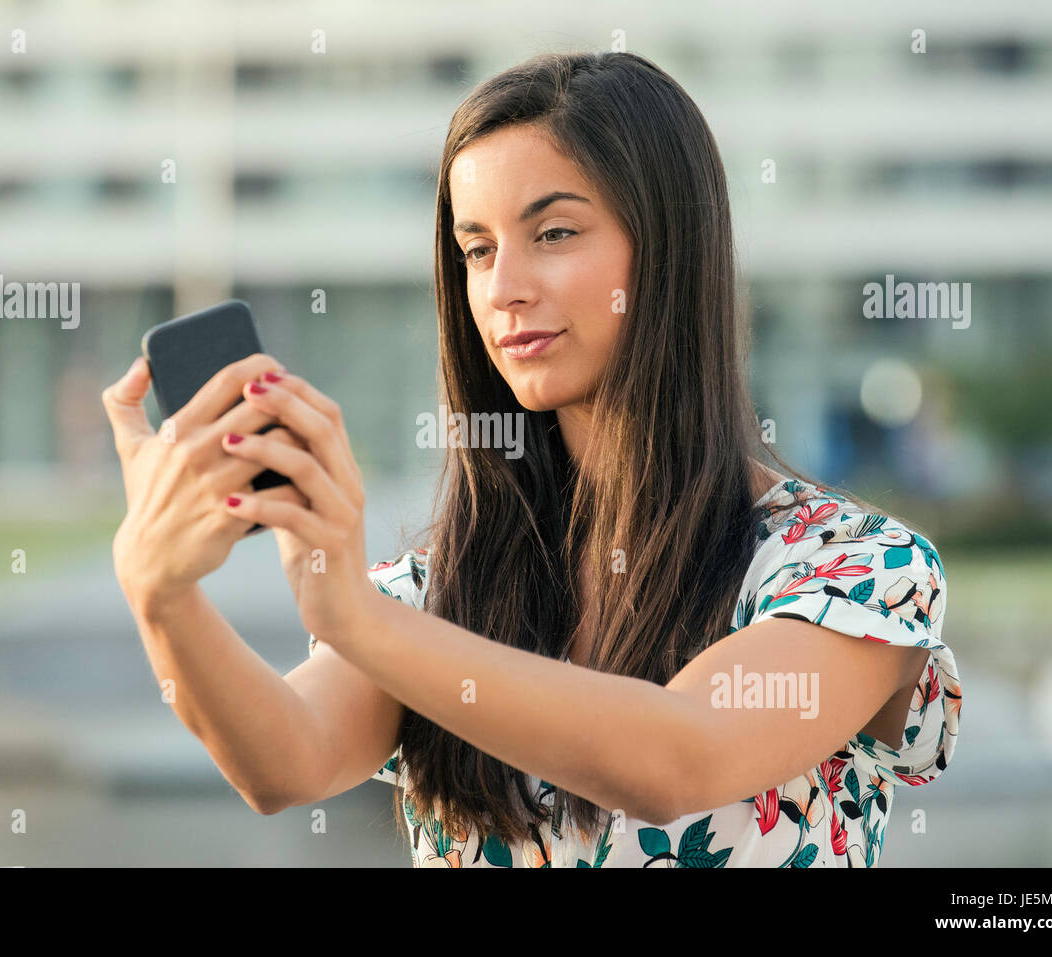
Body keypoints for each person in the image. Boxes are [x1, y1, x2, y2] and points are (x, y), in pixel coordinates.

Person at [102, 50, 961, 868]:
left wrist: (356, 616)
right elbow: (284, 759)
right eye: (477, 248)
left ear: (666, 249)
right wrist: (160, 593)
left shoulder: (852, 569)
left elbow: (681, 755)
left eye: (553, 232)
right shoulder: (442, 594)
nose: (504, 285)